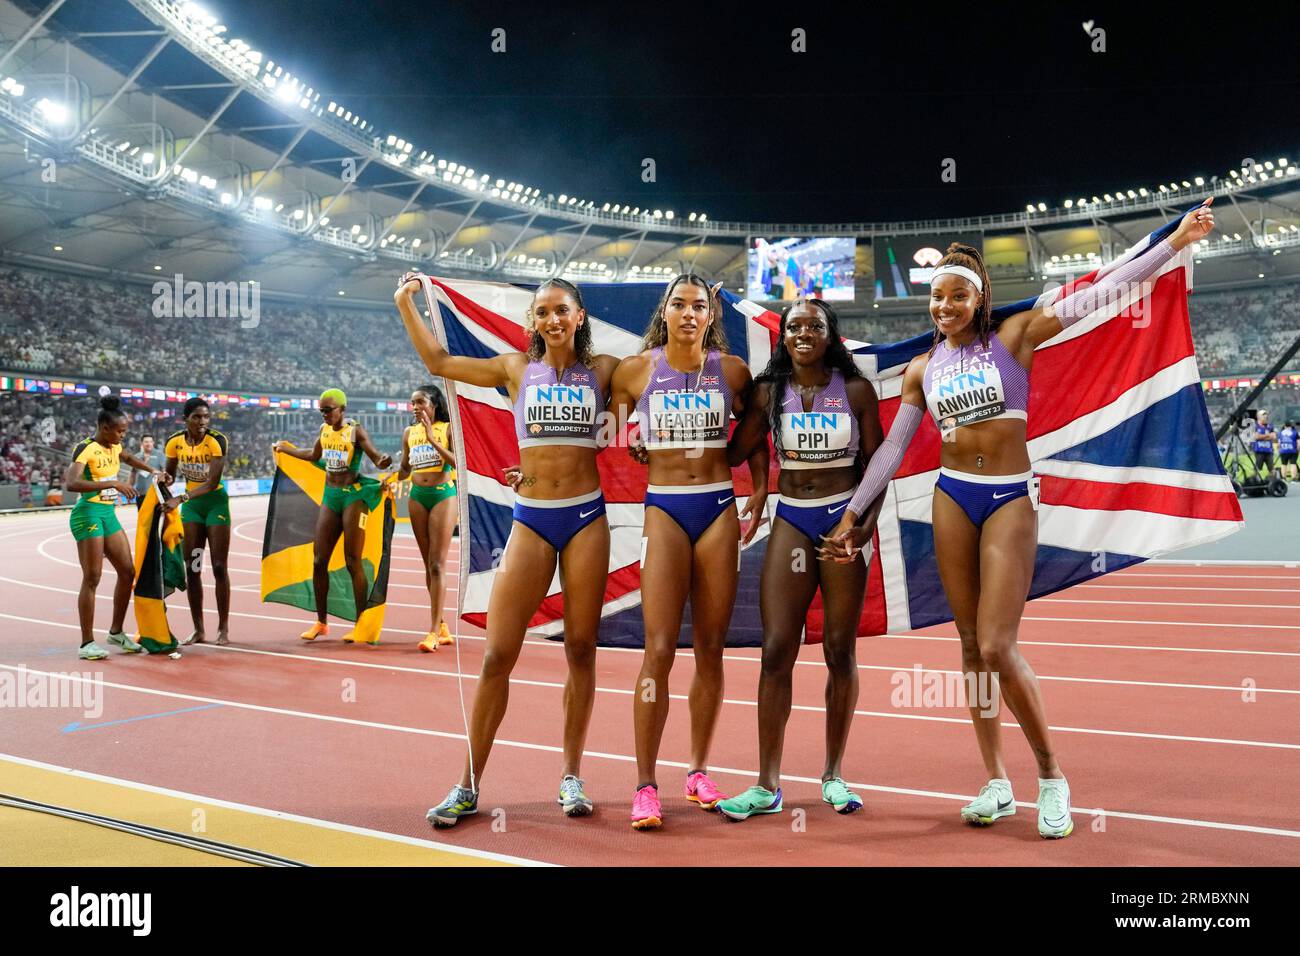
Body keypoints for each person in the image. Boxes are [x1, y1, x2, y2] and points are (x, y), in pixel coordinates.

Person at [823, 200, 1215, 839]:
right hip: (953, 499)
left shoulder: (1016, 338)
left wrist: (1174, 242)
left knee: (1000, 644)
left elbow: (1106, 289)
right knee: (970, 646)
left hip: (1006, 497)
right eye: (936, 298)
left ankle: (1052, 776)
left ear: (978, 303)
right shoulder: (924, 370)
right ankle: (996, 782)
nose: (943, 307)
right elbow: (893, 448)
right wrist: (852, 514)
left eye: (956, 297)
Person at [396, 273, 616, 825]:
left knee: (581, 651)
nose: (552, 320)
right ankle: (467, 783)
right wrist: (405, 302)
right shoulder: (516, 368)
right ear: (534, 322)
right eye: (542, 312)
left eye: (561, 310)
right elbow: (440, 365)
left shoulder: (605, 370)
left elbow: (666, 367)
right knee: (498, 656)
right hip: (533, 520)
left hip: (588, 518)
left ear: (579, 316)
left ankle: (570, 777)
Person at [606, 273, 769, 829]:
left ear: (711, 314)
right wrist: (627, 432)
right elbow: (599, 415)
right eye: (679, 305)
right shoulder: (637, 371)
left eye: (699, 306)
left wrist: (763, 484)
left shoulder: (733, 372)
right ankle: (645, 783)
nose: (689, 314)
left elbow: (758, 426)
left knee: (711, 647)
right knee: (658, 649)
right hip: (666, 508)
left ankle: (698, 769)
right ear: (666, 311)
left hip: (717, 507)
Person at [716, 298, 883, 820]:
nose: (804, 332)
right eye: (794, 326)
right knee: (776, 651)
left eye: (815, 325)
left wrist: (859, 530)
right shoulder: (770, 392)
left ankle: (833, 773)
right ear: (783, 336)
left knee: (839, 648)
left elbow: (877, 468)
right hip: (792, 518)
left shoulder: (855, 390)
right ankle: (767, 784)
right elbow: (734, 453)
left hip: (842, 522)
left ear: (830, 334)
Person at [272, 388, 393, 643]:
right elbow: (313, 456)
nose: (325, 415)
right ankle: (321, 622)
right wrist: (286, 449)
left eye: (329, 410)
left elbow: (375, 455)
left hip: (353, 497)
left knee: (352, 560)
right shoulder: (324, 430)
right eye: (321, 411)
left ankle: (361, 623)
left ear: (343, 409)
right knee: (319, 561)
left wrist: (383, 461)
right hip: (332, 495)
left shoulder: (355, 431)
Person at [64, 396, 173, 660]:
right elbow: (72, 484)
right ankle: (86, 643)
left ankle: (116, 631)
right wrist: (112, 484)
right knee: (92, 578)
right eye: (120, 430)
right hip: (87, 514)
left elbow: (129, 458)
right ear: (104, 428)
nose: (123, 435)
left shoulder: (115, 446)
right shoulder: (86, 448)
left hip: (107, 515)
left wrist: (153, 471)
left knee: (127, 572)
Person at [165, 398, 231, 646]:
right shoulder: (174, 442)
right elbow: (169, 476)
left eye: (206, 417)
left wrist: (180, 497)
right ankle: (198, 629)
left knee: (219, 567)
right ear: (186, 419)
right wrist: (162, 481)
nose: (202, 422)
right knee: (192, 568)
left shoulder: (217, 440)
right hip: (192, 509)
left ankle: (223, 628)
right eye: (197, 417)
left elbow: (212, 483)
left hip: (215, 505)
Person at [398, 384, 457, 652]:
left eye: (420, 402)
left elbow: (459, 463)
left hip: (442, 495)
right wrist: (386, 479)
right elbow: (404, 467)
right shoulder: (409, 433)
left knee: (437, 565)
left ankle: (433, 632)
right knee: (427, 565)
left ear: (434, 404)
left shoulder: (447, 428)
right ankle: (441, 624)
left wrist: (434, 440)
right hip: (417, 495)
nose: (415, 407)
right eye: (413, 403)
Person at [130, 435, 164, 505]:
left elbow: (164, 472)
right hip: (140, 493)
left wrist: (167, 488)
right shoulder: (137, 456)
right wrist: (130, 488)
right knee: (141, 515)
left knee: (155, 515)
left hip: (156, 493)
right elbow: (133, 474)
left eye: (151, 442)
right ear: (141, 443)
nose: (149, 444)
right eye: (146, 442)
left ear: (153, 443)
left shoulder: (159, 455)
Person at [1253, 409, 1278, 477]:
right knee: (1257, 469)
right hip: (1259, 451)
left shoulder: (1270, 426)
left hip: (1269, 451)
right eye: (1263, 416)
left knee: (1272, 469)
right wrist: (1268, 435)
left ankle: (1271, 481)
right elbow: (1256, 437)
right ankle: (1255, 482)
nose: (1266, 417)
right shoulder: (1255, 426)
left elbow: (1274, 437)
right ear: (1259, 417)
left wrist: (1262, 436)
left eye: (1266, 416)